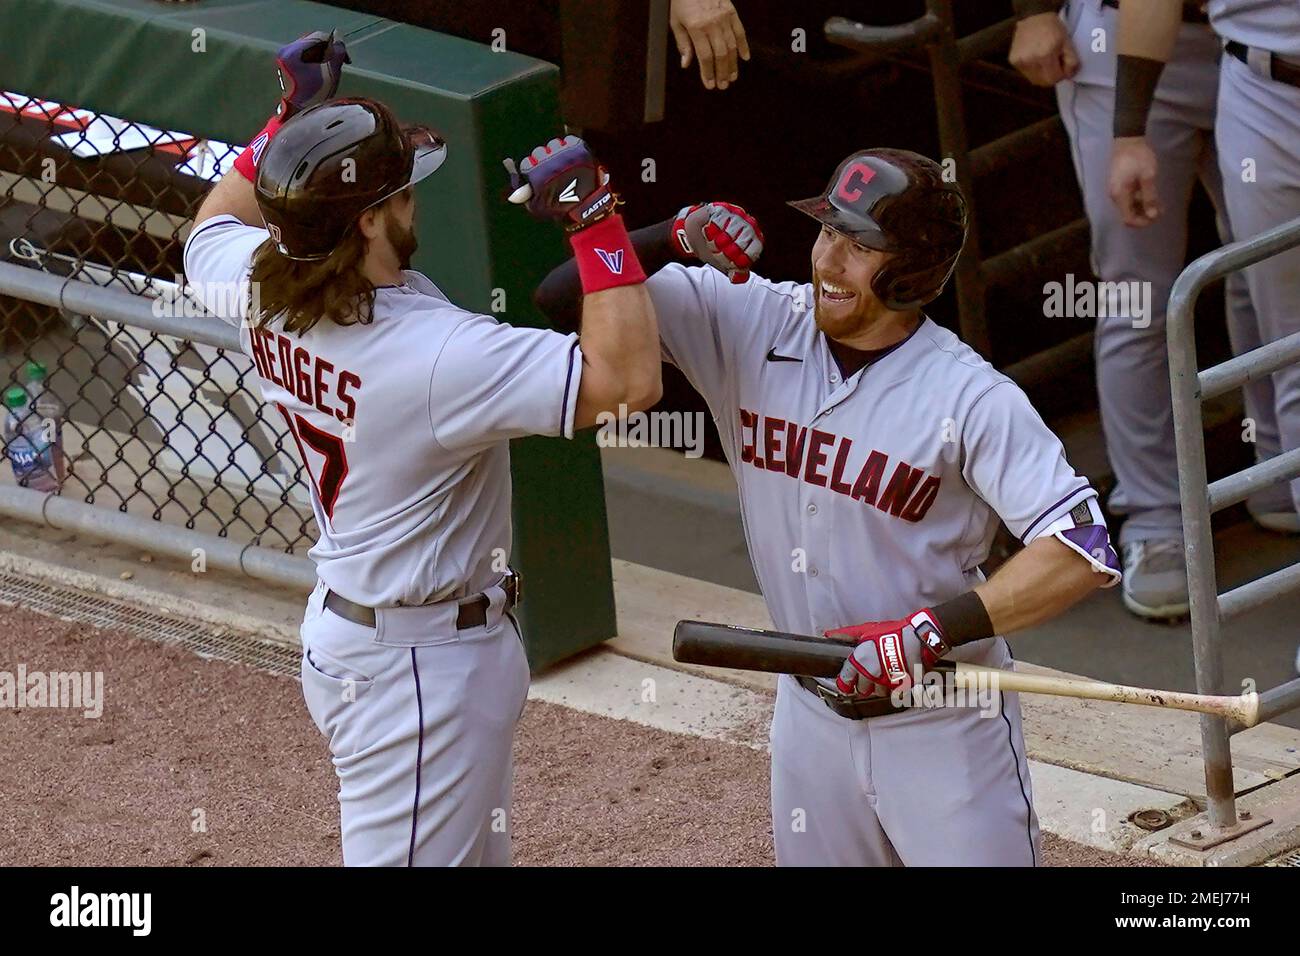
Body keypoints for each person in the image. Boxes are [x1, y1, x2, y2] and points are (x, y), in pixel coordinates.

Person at [536, 150, 1122, 866]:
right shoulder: (752, 320)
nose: (831, 260)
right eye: (827, 233)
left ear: (913, 270)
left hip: (941, 724)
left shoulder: (970, 397)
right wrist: (666, 235)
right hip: (809, 718)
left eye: (862, 245)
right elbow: (565, 298)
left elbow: (1083, 550)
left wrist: (924, 634)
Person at [181, 32, 661, 865]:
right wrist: (596, 220)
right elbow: (626, 382)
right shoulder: (436, 357)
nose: (414, 206)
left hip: (383, 636)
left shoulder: (265, 278)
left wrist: (287, 122)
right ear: (367, 220)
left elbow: (210, 223)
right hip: (413, 672)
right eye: (401, 195)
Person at [1010, 0, 1274, 623]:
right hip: (1115, 43)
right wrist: (1033, 10)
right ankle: (1155, 519)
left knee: (1263, 268)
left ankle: (1277, 466)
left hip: (1259, 49)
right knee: (1137, 297)